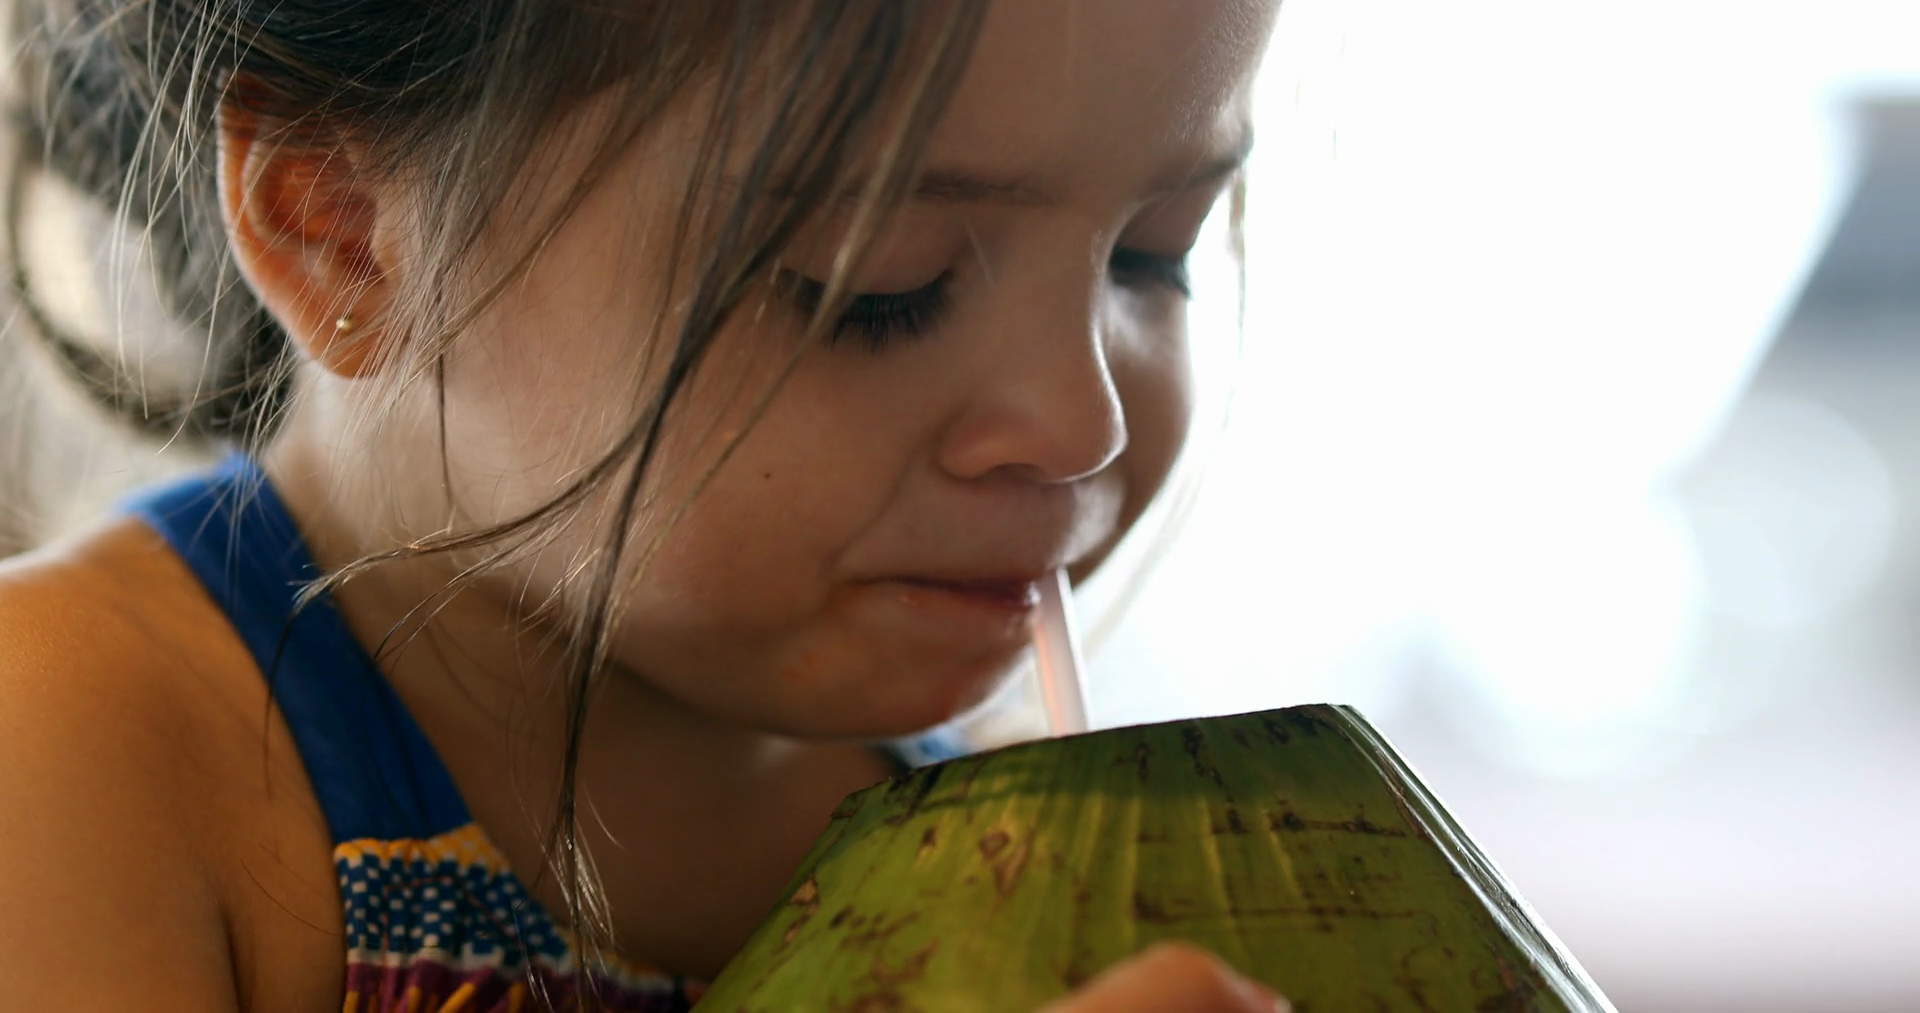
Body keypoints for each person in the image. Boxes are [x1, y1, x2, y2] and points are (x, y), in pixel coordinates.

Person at [0, 0, 1285, 1009]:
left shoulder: (1018, 856)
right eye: (879, 285)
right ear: (344, 226)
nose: (1082, 422)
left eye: (1152, 250)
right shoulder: (74, 744)